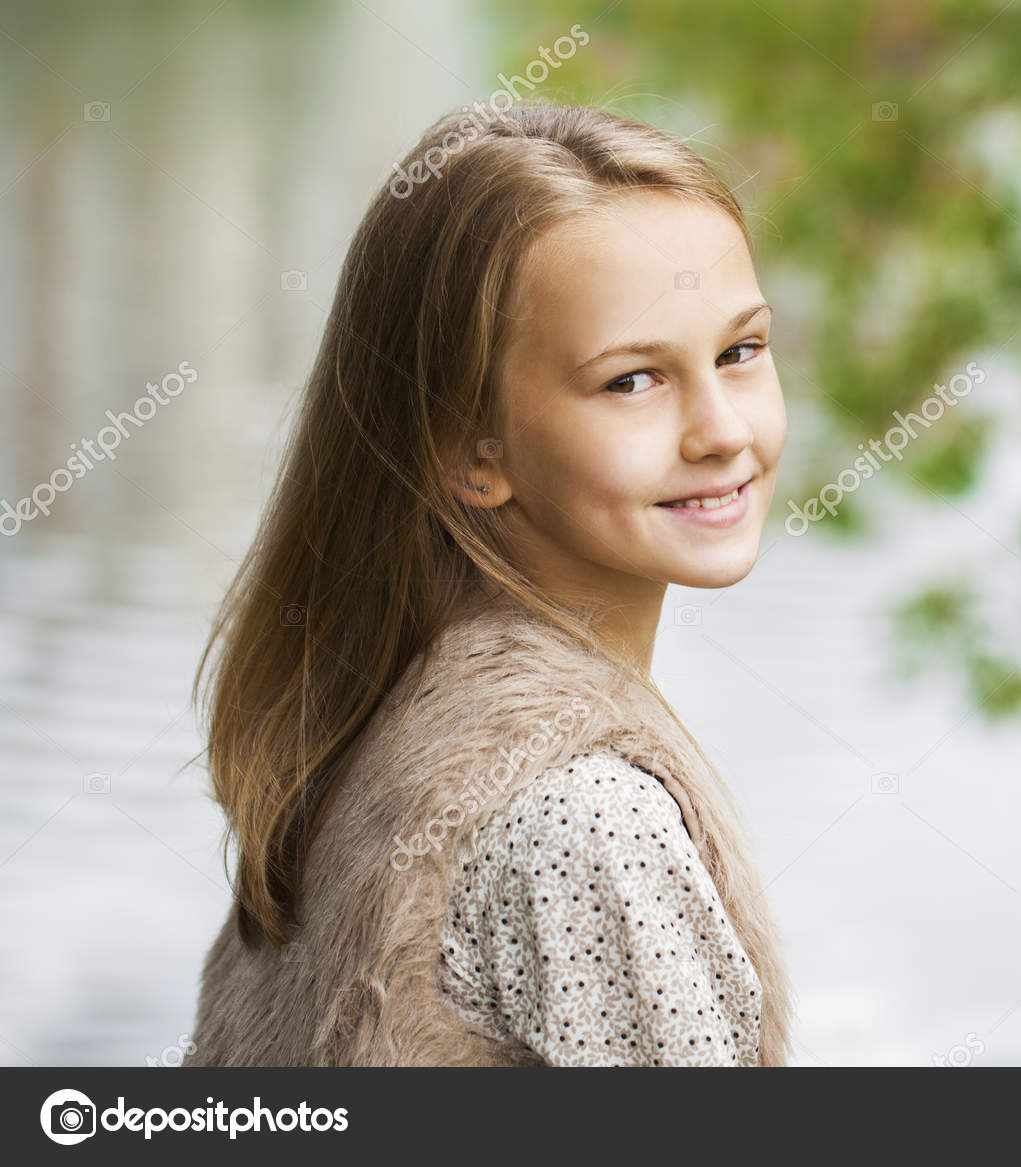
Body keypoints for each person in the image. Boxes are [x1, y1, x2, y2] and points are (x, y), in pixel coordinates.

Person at [183, 100, 793, 1066]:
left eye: (740, 351)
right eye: (631, 380)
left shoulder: (368, 719)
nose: (722, 429)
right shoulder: (591, 821)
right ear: (470, 452)